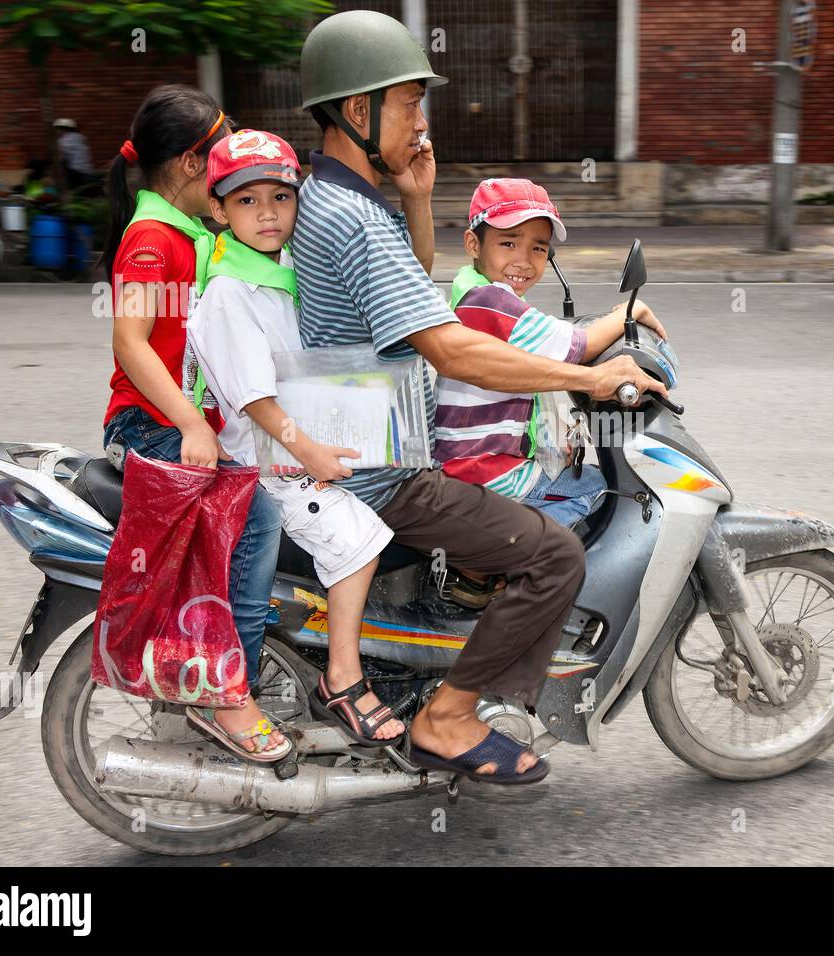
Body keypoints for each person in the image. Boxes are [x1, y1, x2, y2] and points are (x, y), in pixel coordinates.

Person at [292, 10, 665, 785]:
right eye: (410, 105)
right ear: (359, 112)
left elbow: (409, 290)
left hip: (356, 442)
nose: (422, 124)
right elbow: (454, 345)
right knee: (553, 555)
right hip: (379, 469)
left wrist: (418, 198)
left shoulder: (332, 197)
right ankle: (451, 718)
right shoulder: (352, 218)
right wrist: (591, 378)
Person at [187, 128, 405, 745]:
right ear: (219, 210)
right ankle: (344, 677)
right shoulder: (232, 292)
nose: (266, 213)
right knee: (359, 541)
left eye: (279, 198)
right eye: (247, 201)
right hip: (265, 463)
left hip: (293, 448)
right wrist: (308, 451)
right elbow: (254, 397)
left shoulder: (279, 274)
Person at [100, 85, 289, 762]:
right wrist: (192, 425)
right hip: (150, 425)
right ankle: (226, 691)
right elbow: (131, 341)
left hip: (178, 420)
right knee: (257, 517)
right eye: (220, 152)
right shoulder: (152, 239)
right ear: (189, 163)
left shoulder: (190, 231)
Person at [435, 177, 668, 532]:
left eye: (538, 249)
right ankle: (519, 558)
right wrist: (630, 312)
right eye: (509, 242)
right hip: (485, 470)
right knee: (594, 488)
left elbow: (526, 390)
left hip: (471, 459)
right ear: (473, 243)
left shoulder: (472, 289)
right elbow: (582, 346)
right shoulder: (490, 303)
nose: (524, 261)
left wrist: (554, 444)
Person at [53, 118, 102, 193]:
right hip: (88, 170)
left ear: (62, 129)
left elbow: (59, 158)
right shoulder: (80, 137)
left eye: (57, 129)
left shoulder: (63, 141)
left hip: (77, 172)